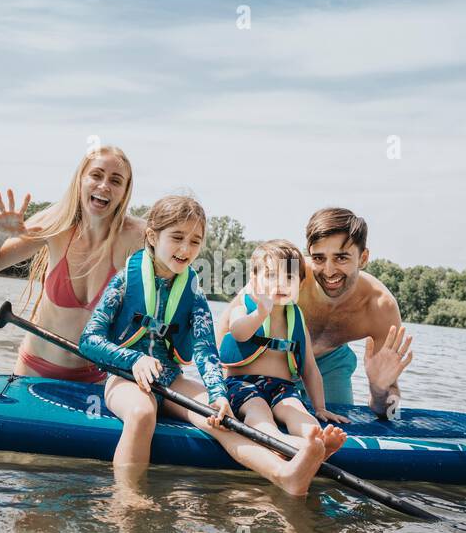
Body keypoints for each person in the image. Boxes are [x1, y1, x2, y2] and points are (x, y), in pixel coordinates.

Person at [79, 195, 328, 496]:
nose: (186, 249)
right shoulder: (123, 282)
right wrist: (133, 360)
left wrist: (218, 394)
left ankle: (284, 474)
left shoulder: (193, 293)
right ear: (152, 236)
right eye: (177, 238)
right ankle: (128, 497)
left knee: (223, 418)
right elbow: (89, 341)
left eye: (195, 241)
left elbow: (205, 350)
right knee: (142, 414)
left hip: (171, 378)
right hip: (125, 377)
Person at [0, 146, 145, 380]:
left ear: (124, 191)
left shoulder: (137, 237)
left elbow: (179, 279)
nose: (104, 185)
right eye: (96, 175)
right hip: (34, 368)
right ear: (80, 180)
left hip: (96, 377)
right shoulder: (54, 224)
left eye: (115, 180)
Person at [218, 240, 350, 455]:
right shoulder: (243, 308)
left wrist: (320, 407)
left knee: (297, 410)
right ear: (254, 280)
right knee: (257, 408)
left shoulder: (297, 321)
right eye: (270, 276)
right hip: (241, 385)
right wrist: (260, 314)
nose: (280, 284)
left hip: (282, 387)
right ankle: (277, 440)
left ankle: (315, 440)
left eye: (289, 277)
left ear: (300, 284)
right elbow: (239, 332)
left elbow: (309, 368)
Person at [297, 207, 413, 418]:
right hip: (276, 357)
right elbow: (227, 330)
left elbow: (390, 413)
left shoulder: (379, 306)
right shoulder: (288, 276)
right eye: (319, 258)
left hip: (330, 364)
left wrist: (379, 390)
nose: (329, 271)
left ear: (363, 257)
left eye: (341, 258)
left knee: (339, 430)